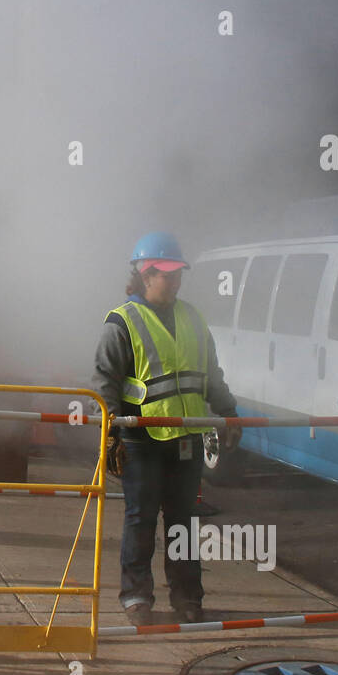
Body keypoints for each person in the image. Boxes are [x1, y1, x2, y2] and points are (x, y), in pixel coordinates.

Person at [91, 231, 241, 625]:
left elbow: (211, 373)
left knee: (183, 521)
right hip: (141, 440)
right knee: (140, 520)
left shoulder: (193, 317)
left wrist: (229, 413)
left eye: (178, 275)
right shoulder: (121, 322)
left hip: (186, 437)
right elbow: (105, 381)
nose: (174, 281)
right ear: (145, 274)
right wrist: (110, 434)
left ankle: (187, 598)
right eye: (166, 274)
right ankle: (136, 599)